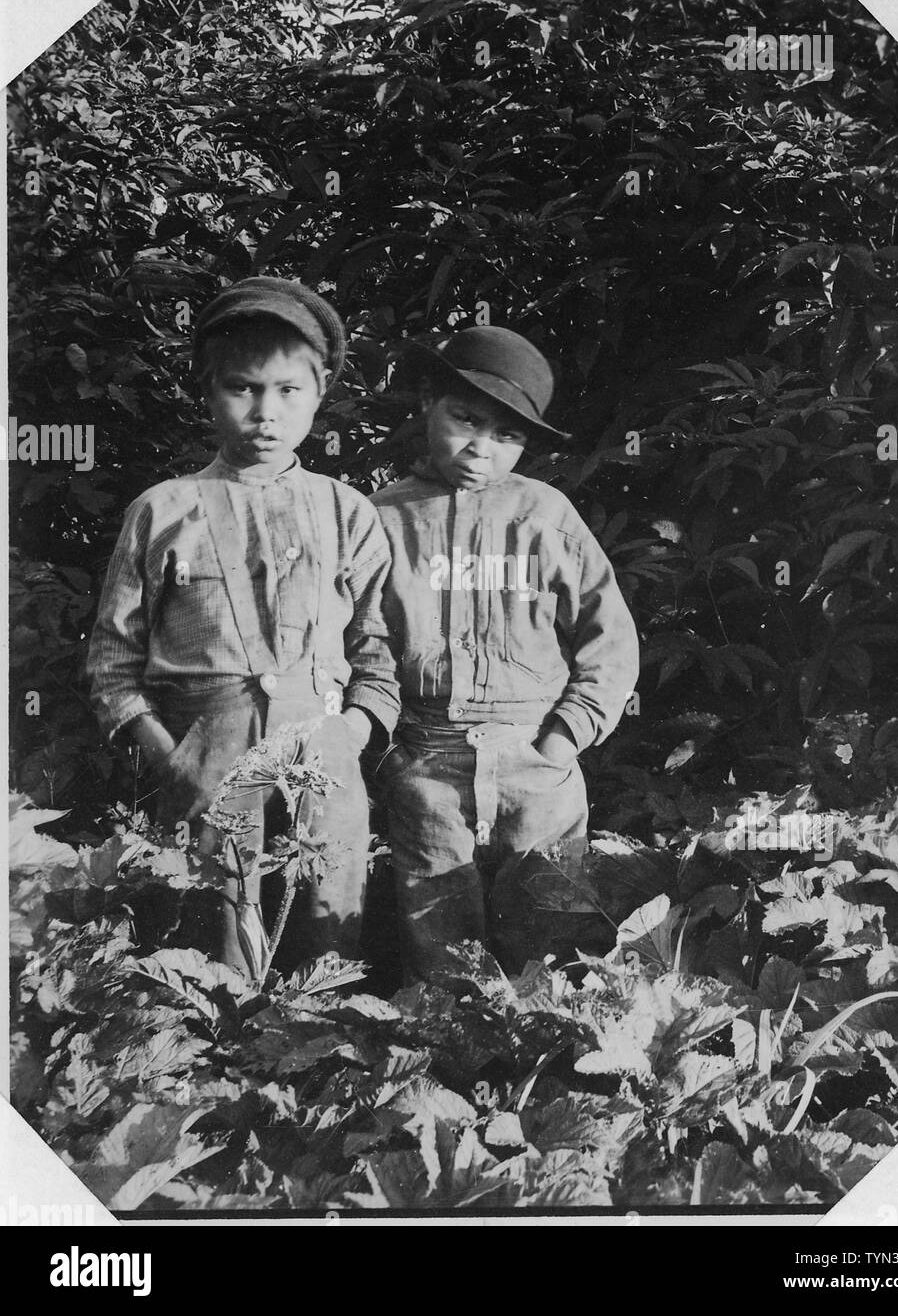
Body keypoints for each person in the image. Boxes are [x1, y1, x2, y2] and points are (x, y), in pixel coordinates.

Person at [87, 277, 399, 977]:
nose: (265, 412)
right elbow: (112, 656)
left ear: (319, 395)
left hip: (323, 751)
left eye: (289, 390)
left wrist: (353, 731)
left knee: (325, 928)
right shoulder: (165, 509)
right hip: (206, 748)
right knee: (212, 936)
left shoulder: (346, 511)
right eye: (242, 388)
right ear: (207, 391)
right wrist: (169, 752)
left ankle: (319, 1069)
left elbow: (375, 643)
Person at [372, 327, 640, 980]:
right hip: (427, 761)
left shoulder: (545, 515)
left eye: (506, 436)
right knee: (443, 953)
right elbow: (358, 646)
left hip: (536, 761)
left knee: (552, 942)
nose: (480, 449)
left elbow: (611, 639)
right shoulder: (379, 520)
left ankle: (544, 1075)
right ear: (429, 403)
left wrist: (563, 739)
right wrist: (391, 757)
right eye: (465, 419)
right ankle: (449, 1067)